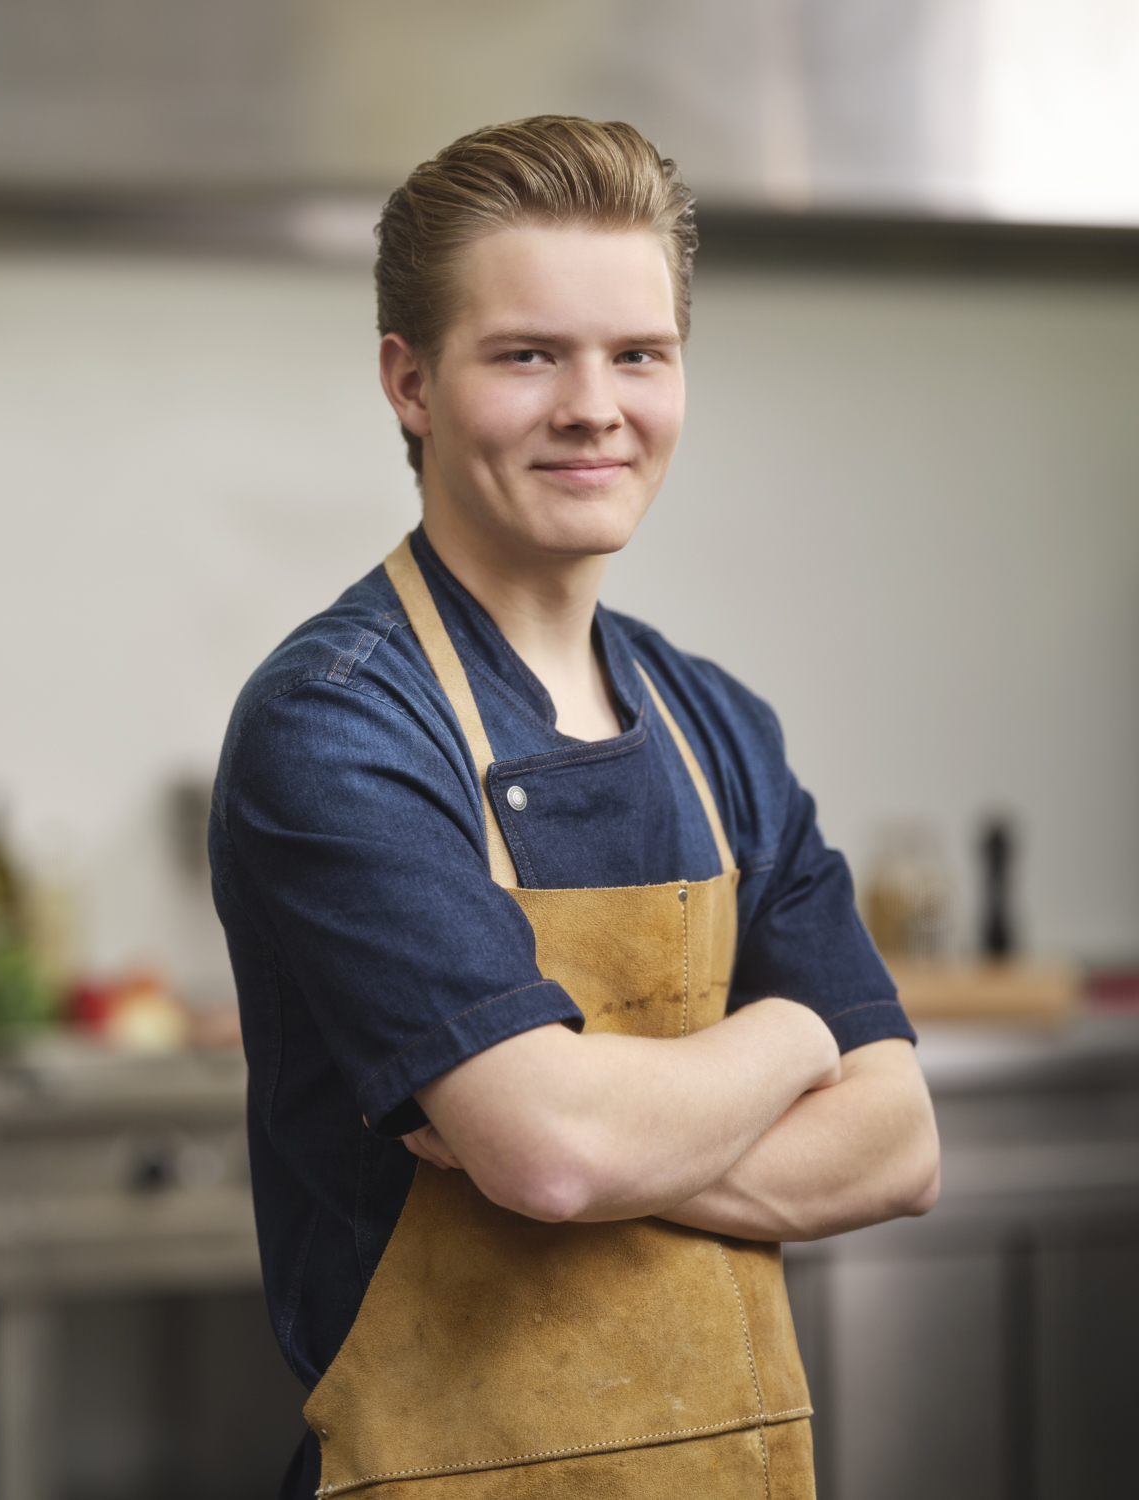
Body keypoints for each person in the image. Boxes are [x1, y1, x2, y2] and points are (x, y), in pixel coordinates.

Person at [209, 116, 940, 1499]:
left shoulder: (718, 725)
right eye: (529, 354)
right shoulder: (340, 723)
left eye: (639, 355)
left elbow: (899, 1144)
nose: (595, 406)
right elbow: (552, 1154)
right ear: (411, 383)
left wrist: (584, 1133)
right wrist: (796, 1040)